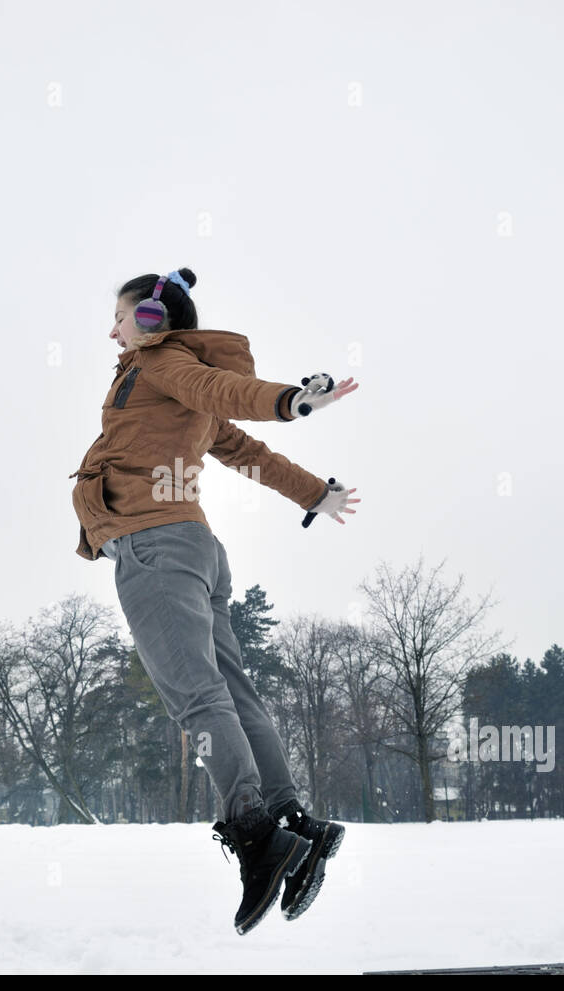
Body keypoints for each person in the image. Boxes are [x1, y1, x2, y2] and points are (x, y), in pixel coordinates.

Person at [68, 267, 360, 934]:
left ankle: (256, 834)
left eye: (119, 317)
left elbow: (226, 389)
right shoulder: (169, 386)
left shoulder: (163, 364)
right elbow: (244, 449)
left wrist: (291, 400)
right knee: (231, 693)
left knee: (197, 699)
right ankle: (292, 821)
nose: (110, 329)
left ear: (148, 321)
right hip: (197, 549)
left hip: (154, 550)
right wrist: (315, 492)